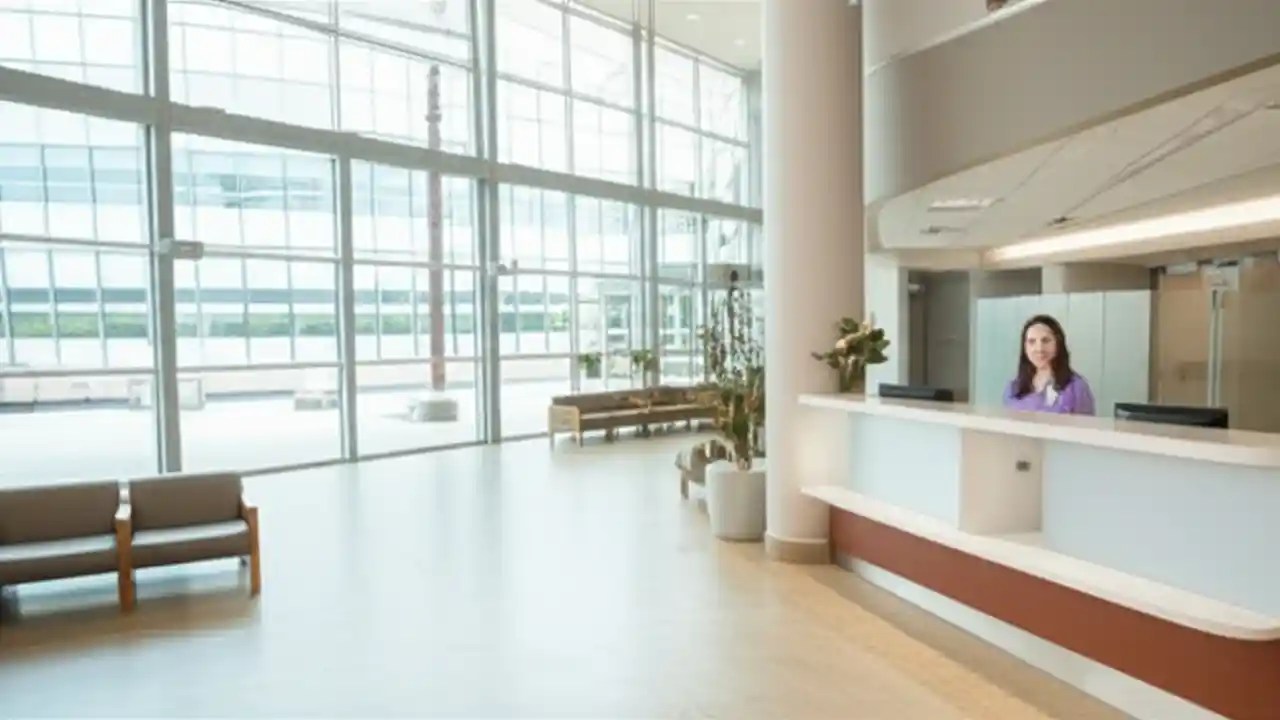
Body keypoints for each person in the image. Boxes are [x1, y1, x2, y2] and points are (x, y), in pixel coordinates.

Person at [1002, 314, 1096, 415]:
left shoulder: (1077, 388)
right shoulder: (1013, 388)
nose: (1039, 349)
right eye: (1031, 341)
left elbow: (1085, 429)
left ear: (1058, 344)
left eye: (1046, 341)